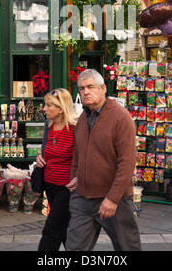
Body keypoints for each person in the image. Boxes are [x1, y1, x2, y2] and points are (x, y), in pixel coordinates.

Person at [65, 69, 141, 251]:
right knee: (74, 247)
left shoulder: (120, 118)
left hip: (114, 197)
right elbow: (78, 153)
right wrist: (75, 176)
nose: (85, 92)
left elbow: (127, 163)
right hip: (83, 197)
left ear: (103, 88)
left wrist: (113, 199)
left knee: (127, 247)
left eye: (90, 87)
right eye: (81, 88)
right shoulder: (83, 117)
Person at [36, 88, 76, 251]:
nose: (44, 109)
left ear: (61, 108)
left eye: (49, 105)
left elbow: (83, 157)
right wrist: (39, 158)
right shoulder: (48, 126)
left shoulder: (76, 128)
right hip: (49, 185)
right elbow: (46, 152)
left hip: (67, 188)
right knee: (65, 229)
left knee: (51, 230)